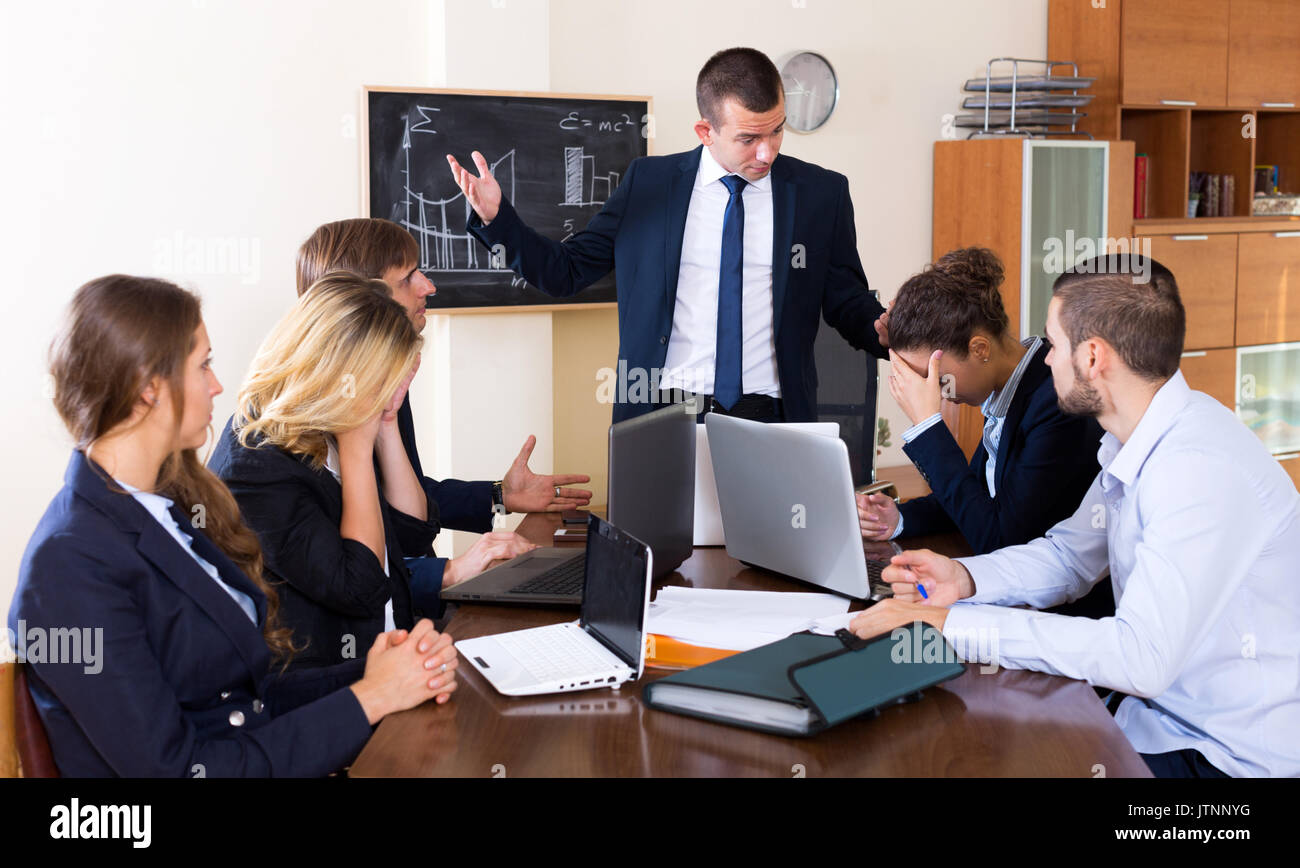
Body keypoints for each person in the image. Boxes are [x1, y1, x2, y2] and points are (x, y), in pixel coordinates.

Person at [850, 254, 1300, 778]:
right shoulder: (1134, 441)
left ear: (1092, 357)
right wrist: (967, 578)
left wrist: (950, 625)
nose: (1043, 360)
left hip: (1227, 757)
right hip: (1156, 719)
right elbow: (1068, 556)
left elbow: (1140, 658)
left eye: (1054, 343)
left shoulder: (1195, 471)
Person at [9, 275, 458, 776]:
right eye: (202, 365)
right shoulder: (70, 565)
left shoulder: (161, 506)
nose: (217, 385)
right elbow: (180, 770)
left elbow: (247, 701)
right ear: (145, 389)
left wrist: (376, 677)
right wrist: (370, 699)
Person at [446, 47, 890, 424]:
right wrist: (497, 218)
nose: (767, 151)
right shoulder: (648, 184)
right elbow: (565, 272)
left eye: (777, 131)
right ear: (705, 131)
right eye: (749, 138)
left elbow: (845, 299)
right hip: (663, 411)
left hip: (774, 414)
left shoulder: (821, 193)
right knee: (656, 531)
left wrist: (888, 331)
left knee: (771, 530)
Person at [209, 273, 534, 669]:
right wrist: (358, 449)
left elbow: (412, 534)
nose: (390, 386)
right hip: (332, 681)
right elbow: (358, 587)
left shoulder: (330, 423)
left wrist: (386, 423)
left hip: (392, 646)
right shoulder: (256, 467)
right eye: (382, 376)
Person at [294, 218, 593, 606]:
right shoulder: (293, 436)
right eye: (408, 278)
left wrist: (501, 496)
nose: (429, 287)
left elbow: (401, 502)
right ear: (358, 301)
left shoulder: (380, 381)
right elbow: (340, 575)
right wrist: (452, 572)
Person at [856, 248, 1102, 554]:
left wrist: (928, 428)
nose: (936, 392)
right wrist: (899, 517)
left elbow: (1000, 538)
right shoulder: (1010, 389)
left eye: (939, 378)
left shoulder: (1056, 404)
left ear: (980, 349)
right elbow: (977, 496)